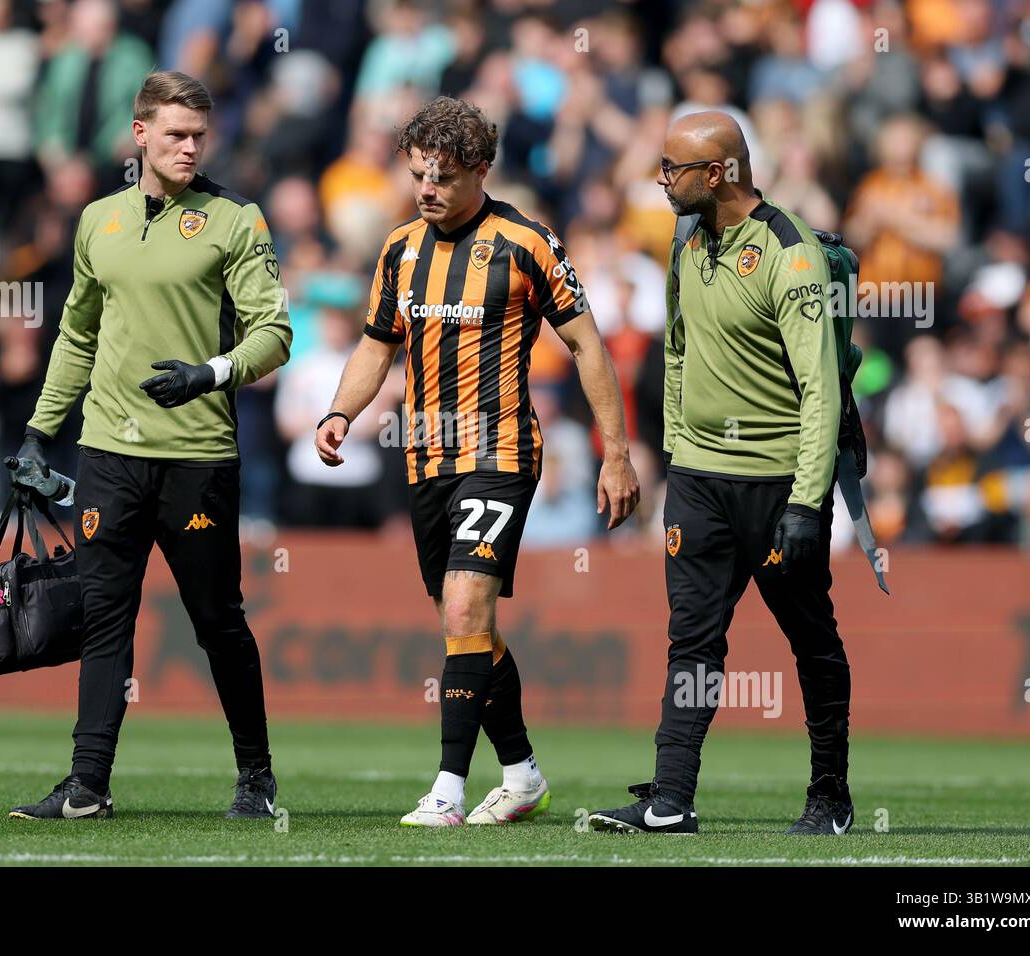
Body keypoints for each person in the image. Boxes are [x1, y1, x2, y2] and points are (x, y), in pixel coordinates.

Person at [315, 96, 639, 827]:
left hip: (500, 452)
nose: (428, 188)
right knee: (469, 629)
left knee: (465, 606)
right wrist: (341, 411)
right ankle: (522, 775)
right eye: (419, 173)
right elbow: (375, 344)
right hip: (424, 460)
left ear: (481, 172)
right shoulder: (399, 248)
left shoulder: (527, 244)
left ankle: (448, 791)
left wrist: (613, 454)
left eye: (444, 176)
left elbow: (588, 345)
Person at [8, 71, 292, 821]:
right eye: (175, 134)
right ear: (140, 135)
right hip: (106, 452)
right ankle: (87, 785)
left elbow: (275, 334)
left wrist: (211, 373)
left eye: (200, 134)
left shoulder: (237, 219)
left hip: (198, 456)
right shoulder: (98, 220)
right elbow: (77, 334)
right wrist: (40, 434)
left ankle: (256, 776)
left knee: (216, 620)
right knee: (105, 617)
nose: (190, 147)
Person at [588, 111, 852, 836]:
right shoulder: (684, 242)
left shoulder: (789, 252)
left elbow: (819, 387)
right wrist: (676, 452)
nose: (660, 178)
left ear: (717, 174)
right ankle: (671, 798)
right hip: (699, 480)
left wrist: (805, 503)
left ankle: (830, 793)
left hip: (776, 483)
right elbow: (677, 351)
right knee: (692, 639)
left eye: (673, 167)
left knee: (812, 639)